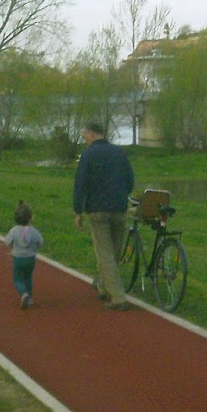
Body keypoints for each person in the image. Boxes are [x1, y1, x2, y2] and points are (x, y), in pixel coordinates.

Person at [72, 122, 135, 311]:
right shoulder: (119, 153)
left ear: (91, 134)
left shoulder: (88, 155)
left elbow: (80, 184)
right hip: (119, 208)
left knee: (105, 254)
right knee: (114, 252)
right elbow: (130, 180)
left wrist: (78, 211)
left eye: (84, 136)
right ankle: (104, 287)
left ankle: (118, 297)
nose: (84, 139)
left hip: (98, 210)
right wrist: (121, 195)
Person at [3, 201, 44, 309]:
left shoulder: (14, 230)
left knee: (18, 279)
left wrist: (12, 247)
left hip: (18, 259)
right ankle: (29, 299)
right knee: (28, 278)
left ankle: (23, 293)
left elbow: (7, 242)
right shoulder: (34, 231)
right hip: (31, 259)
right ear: (30, 218)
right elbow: (40, 242)